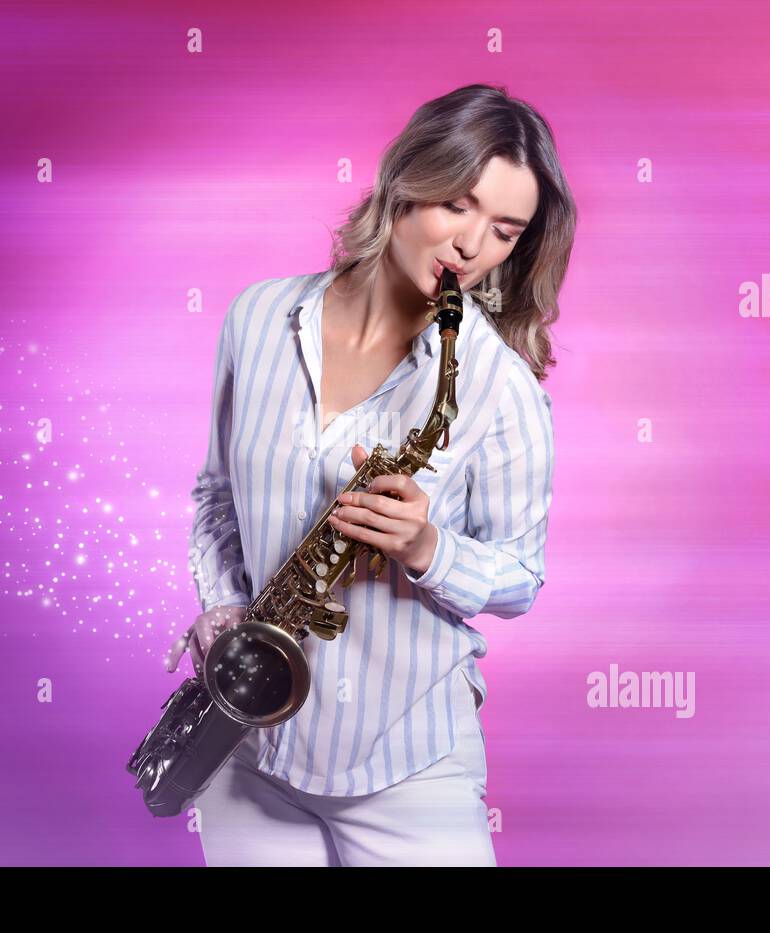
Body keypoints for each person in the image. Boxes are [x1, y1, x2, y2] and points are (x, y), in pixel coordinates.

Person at [163, 83, 577, 866]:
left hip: (407, 759)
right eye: (458, 205)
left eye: (503, 231)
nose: (471, 246)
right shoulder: (256, 318)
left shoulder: (498, 386)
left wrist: (428, 548)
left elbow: (523, 576)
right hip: (249, 738)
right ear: (405, 183)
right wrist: (222, 605)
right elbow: (216, 498)